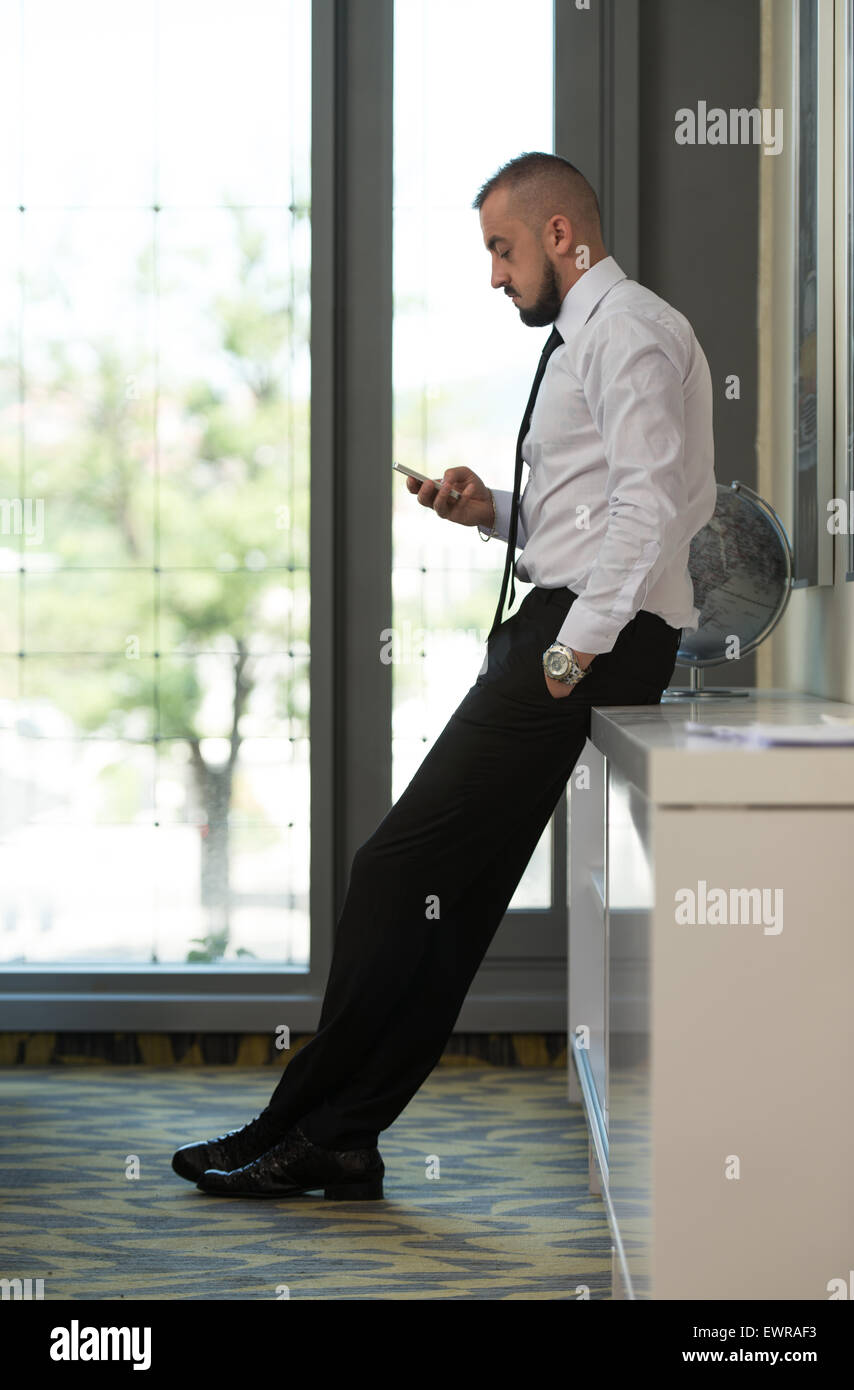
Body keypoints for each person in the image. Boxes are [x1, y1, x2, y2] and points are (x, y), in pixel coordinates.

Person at [171, 151, 717, 1201]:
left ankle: (299, 1121)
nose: (496, 275)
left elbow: (651, 510)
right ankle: (338, 1136)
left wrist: (573, 650)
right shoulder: (591, 337)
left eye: (503, 250)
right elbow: (596, 510)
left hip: (583, 638)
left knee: (390, 873)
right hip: (575, 623)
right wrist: (495, 512)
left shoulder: (630, 330)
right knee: (444, 904)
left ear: (562, 235)